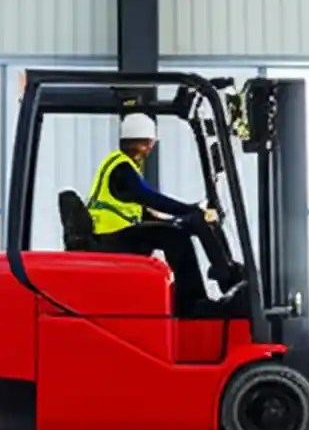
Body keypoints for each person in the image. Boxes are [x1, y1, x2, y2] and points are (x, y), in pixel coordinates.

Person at [86, 112, 228, 311]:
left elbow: (136, 208)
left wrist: (176, 219)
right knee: (175, 238)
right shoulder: (123, 170)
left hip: (112, 233)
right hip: (113, 237)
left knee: (174, 231)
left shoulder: (118, 163)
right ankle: (192, 303)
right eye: (149, 144)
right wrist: (190, 210)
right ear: (146, 143)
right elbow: (150, 198)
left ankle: (190, 300)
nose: (149, 149)